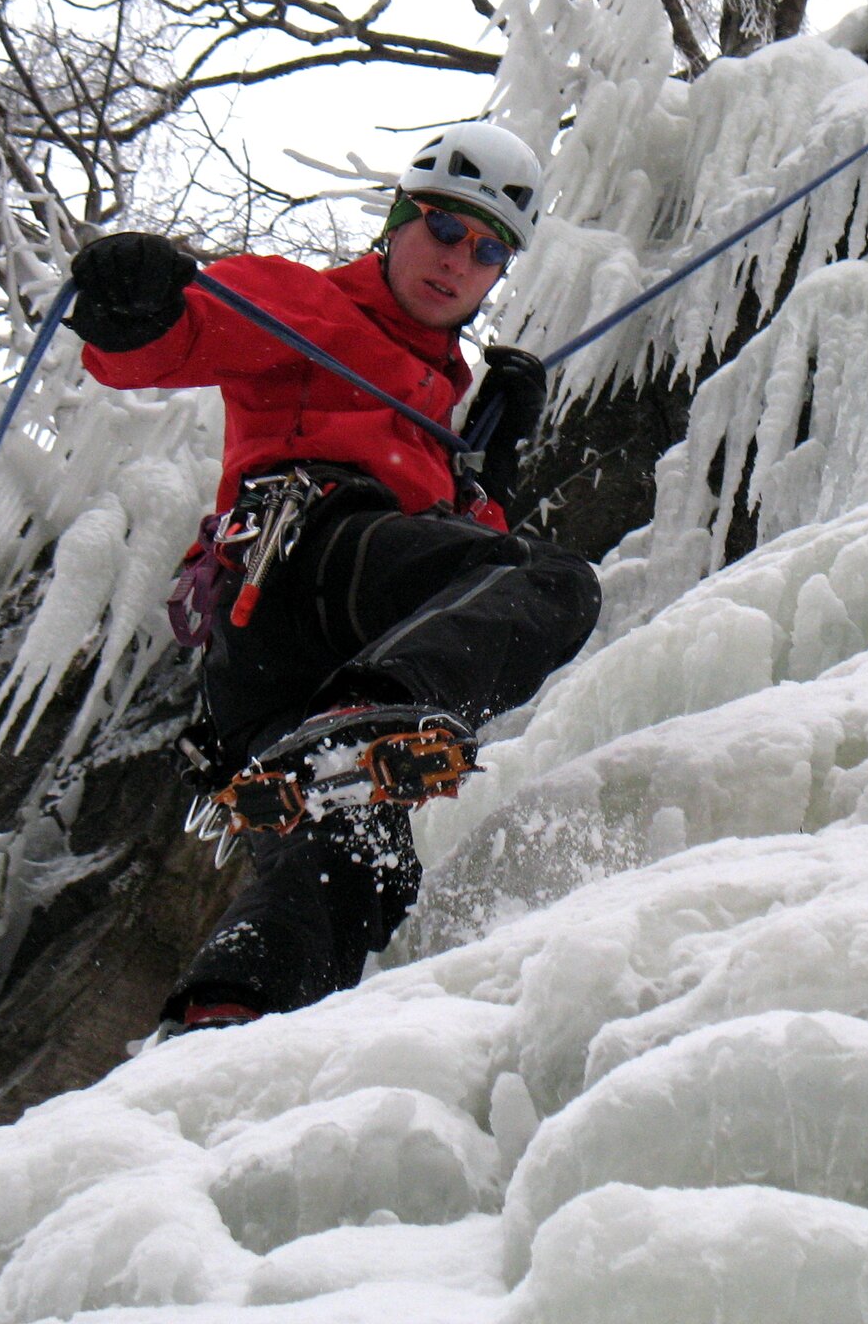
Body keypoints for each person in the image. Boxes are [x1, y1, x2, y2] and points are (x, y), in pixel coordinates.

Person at [67, 121, 601, 1030]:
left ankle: (223, 1023)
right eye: (441, 228)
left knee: (354, 863)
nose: (457, 262)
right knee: (557, 583)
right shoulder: (304, 303)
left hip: (269, 682)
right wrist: (136, 302)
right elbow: (176, 340)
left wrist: (488, 472)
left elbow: (459, 552)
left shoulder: (442, 406)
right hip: (307, 565)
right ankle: (370, 714)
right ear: (396, 221)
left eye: (486, 250)